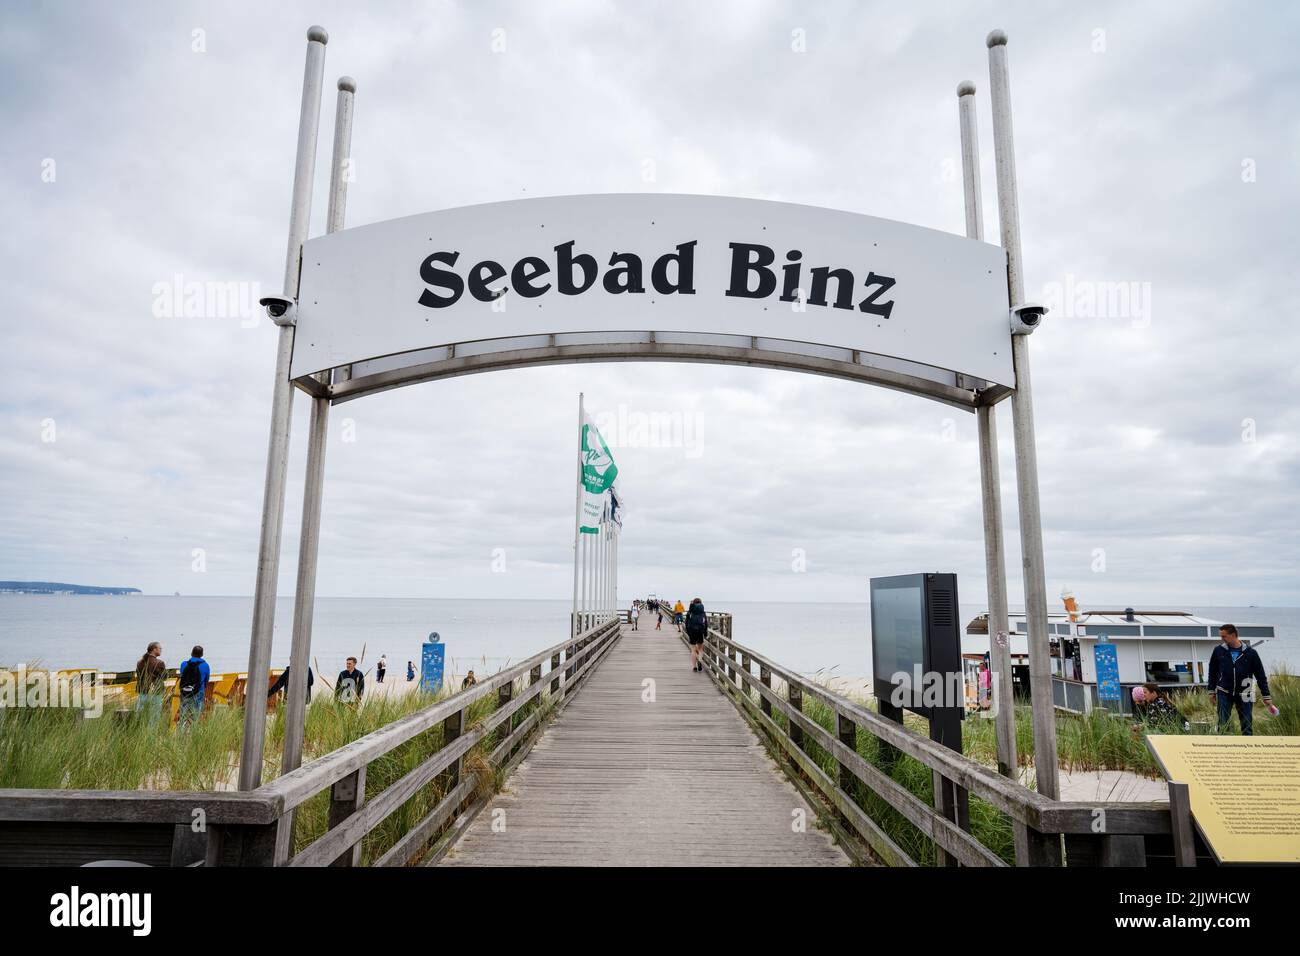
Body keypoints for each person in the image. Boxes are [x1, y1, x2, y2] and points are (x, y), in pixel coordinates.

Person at [1208, 624, 1274, 735]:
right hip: (1224, 691)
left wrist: (1266, 696)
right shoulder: (1218, 650)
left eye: (1224, 636)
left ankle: (1247, 751)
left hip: (1246, 692)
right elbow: (1212, 671)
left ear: (1233, 635)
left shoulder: (1251, 653)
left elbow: (1260, 676)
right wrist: (1211, 691)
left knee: (1247, 726)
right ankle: (1224, 751)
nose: (1222, 639)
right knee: (1223, 725)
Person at [176, 645, 210, 726]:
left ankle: (181, 732)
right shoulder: (205, 665)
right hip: (198, 692)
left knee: (183, 714)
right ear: (202, 654)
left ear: (191, 653)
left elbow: (182, 675)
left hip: (185, 692)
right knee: (196, 715)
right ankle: (194, 732)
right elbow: (206, 680)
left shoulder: (184, 664)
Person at [134, 641, 166, 725]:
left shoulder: (139, 662)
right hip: (155, 692)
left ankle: (140, 731)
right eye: (160, 648)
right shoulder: (159, 663)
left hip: (142, 691)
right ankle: (152, 734)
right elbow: (165, 677)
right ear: (154, 649)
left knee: (140, 715)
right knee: (154, 717)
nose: (161, 650)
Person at [684, 597, 708, 672]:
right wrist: (705, 633)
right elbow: (705, 624)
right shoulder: (703, 612)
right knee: (700, 649)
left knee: (693, 650)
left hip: (692, 632)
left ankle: (694, 667)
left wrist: (688, 632)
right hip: (700, 632)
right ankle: (700, 660)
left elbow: (686, 623)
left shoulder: (690, 612)